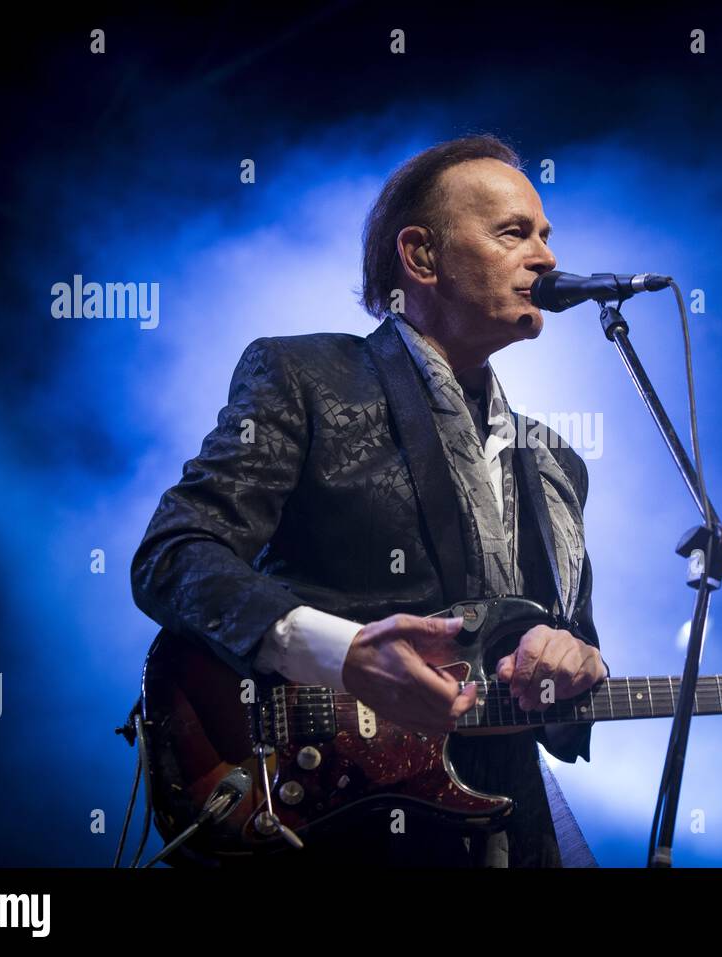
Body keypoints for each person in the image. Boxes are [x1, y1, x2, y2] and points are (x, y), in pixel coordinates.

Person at [130, 134, 608, 867]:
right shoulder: (306, 376)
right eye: (514, 232)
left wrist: (576, 662)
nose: (545, 257)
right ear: (419, 258)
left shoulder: (555, 461)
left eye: (546, 235)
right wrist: (342, 655)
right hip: (330, 820)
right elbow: (175, 553)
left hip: (509, 828)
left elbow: (566, 675)